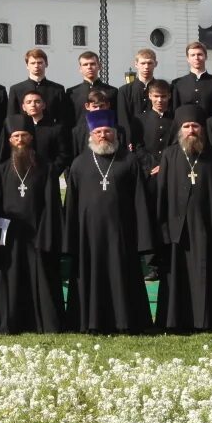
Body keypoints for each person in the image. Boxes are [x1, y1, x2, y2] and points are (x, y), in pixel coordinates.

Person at [63, 110, 155, 334]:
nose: (102, 135)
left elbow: (140, 201)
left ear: (115, 134)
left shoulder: (129, 161)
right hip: (88, 237)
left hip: (121, 233)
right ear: (90, 135)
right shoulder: (78, 164)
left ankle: (125, 321)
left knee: (122, 275)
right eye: (98, 132)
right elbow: (71, 205)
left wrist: (143, 237)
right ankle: (91, 322)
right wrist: (70, 237)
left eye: (107, 131)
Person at [151, 107, 212, 333]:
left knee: (207, 274)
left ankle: (207, 321)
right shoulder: (169, 154)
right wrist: (163, 227)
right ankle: (175, 321)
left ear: (202, 129)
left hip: (208, 228)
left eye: (195, 126)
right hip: (177, 228)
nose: (191, 131)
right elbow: (162, 193)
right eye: (186, 127)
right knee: (177, 276)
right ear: (180, 130)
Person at [0, 117, 67, 334]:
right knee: (10, 278)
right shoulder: (1, 170)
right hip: (9, 236)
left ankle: (44, 324)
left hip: (38, 233)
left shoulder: (46, 167)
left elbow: (52, 204)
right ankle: (9, 324)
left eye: (24, 135)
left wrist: (47, 234)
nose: (20, 140)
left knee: (42, 277)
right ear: (10, 140)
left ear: (31, 138)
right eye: (16, 136)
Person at [7, 48, 72, 138]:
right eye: (33, 63)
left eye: (40, 62)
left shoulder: (57, 89)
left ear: (46, 64)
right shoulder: (16, 89)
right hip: (24, 137)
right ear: (27, 65)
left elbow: (62, 118)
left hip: (50, 135)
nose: (36, 66)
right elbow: (12, 117)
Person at [170, 41, 212, 119]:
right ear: (188, 59)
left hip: (210, 128)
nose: (196, 58)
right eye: (192, 55)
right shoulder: (178, 83)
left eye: (199, 54)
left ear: (206, 57)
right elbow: (175, 111)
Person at [65, 50, 112, 134]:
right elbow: (68, 120)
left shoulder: (112, 91)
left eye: (92, 64)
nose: (89, 67)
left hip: (105, 137)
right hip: (80, 137)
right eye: (85, 64)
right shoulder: (72, 93)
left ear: (99, 66)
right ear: (80, 69)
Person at [117, 49, 160, 119]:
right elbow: (123, 118)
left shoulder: (163, 89)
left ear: (155, 64)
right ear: (136, 64)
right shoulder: (124, 91)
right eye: (143, 63)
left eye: (149, 63)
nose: (146, 67)